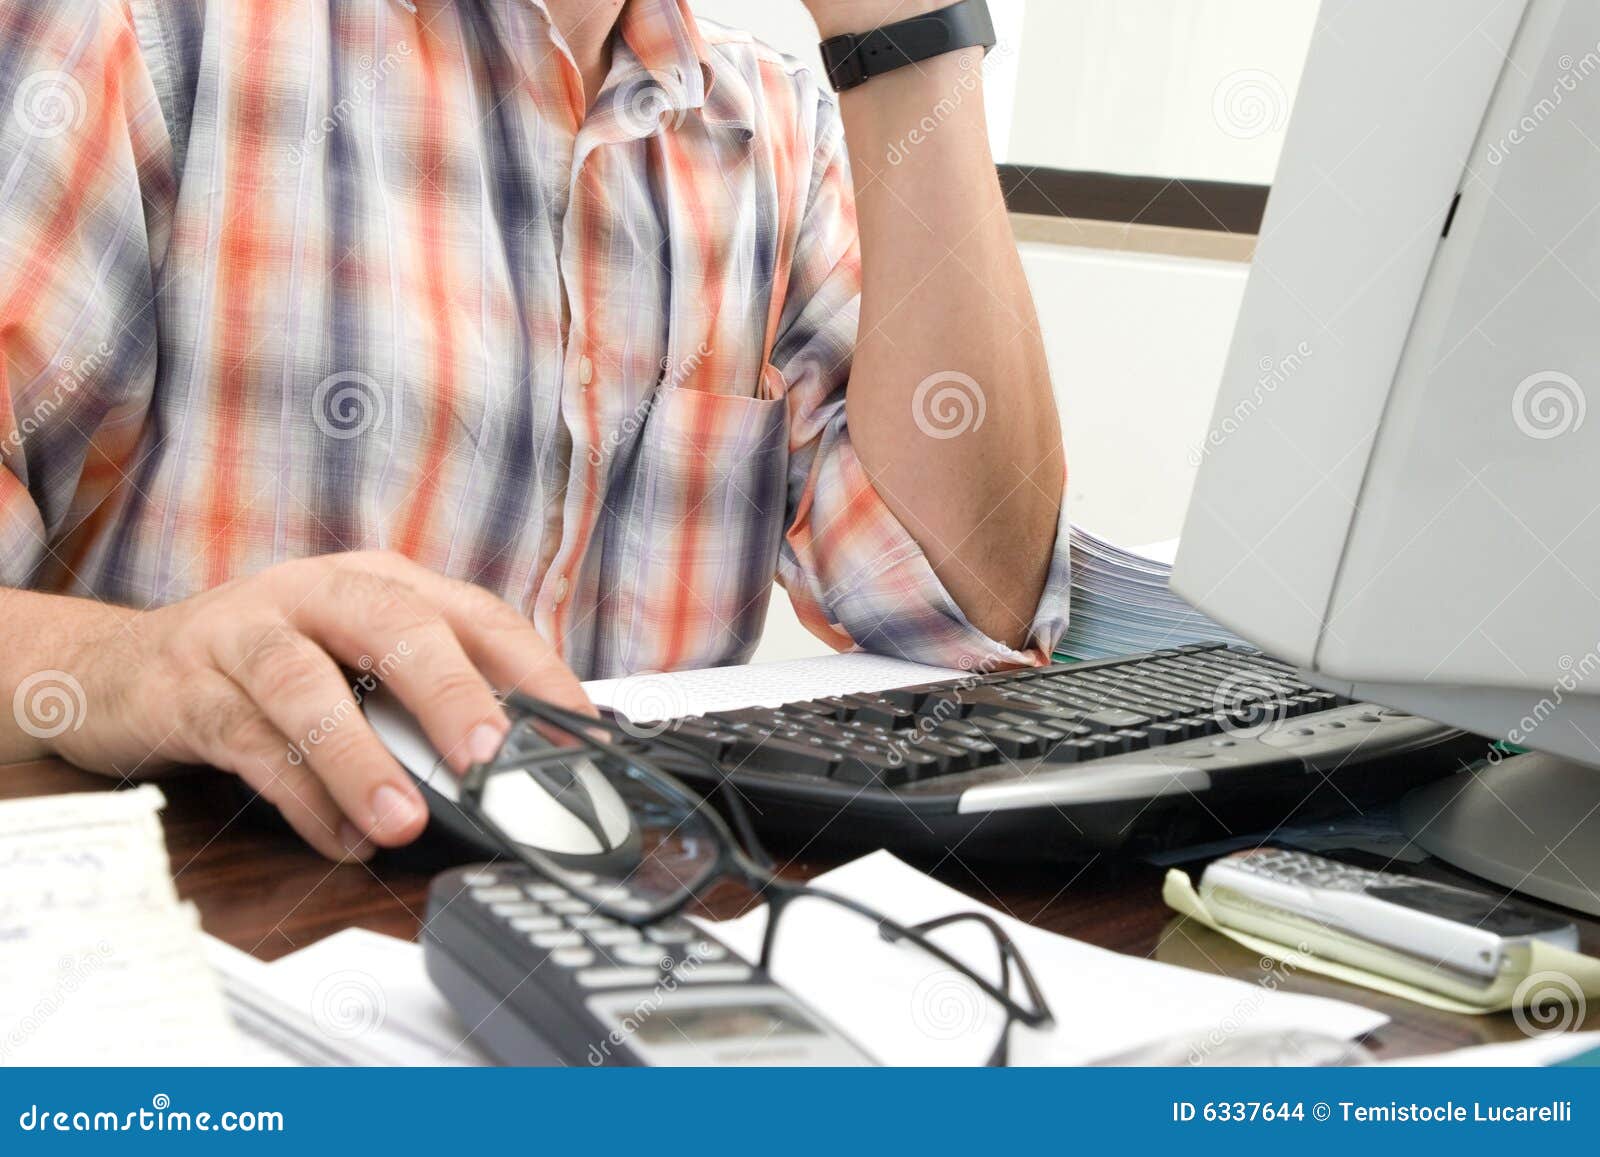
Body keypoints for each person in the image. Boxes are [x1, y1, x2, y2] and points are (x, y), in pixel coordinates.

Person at [0, 0, 1068, 861]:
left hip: (632, 920)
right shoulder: (134, 30)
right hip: (217, 938)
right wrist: (118, 659)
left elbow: (970, 613)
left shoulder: (778, 130)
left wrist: (911, 41)